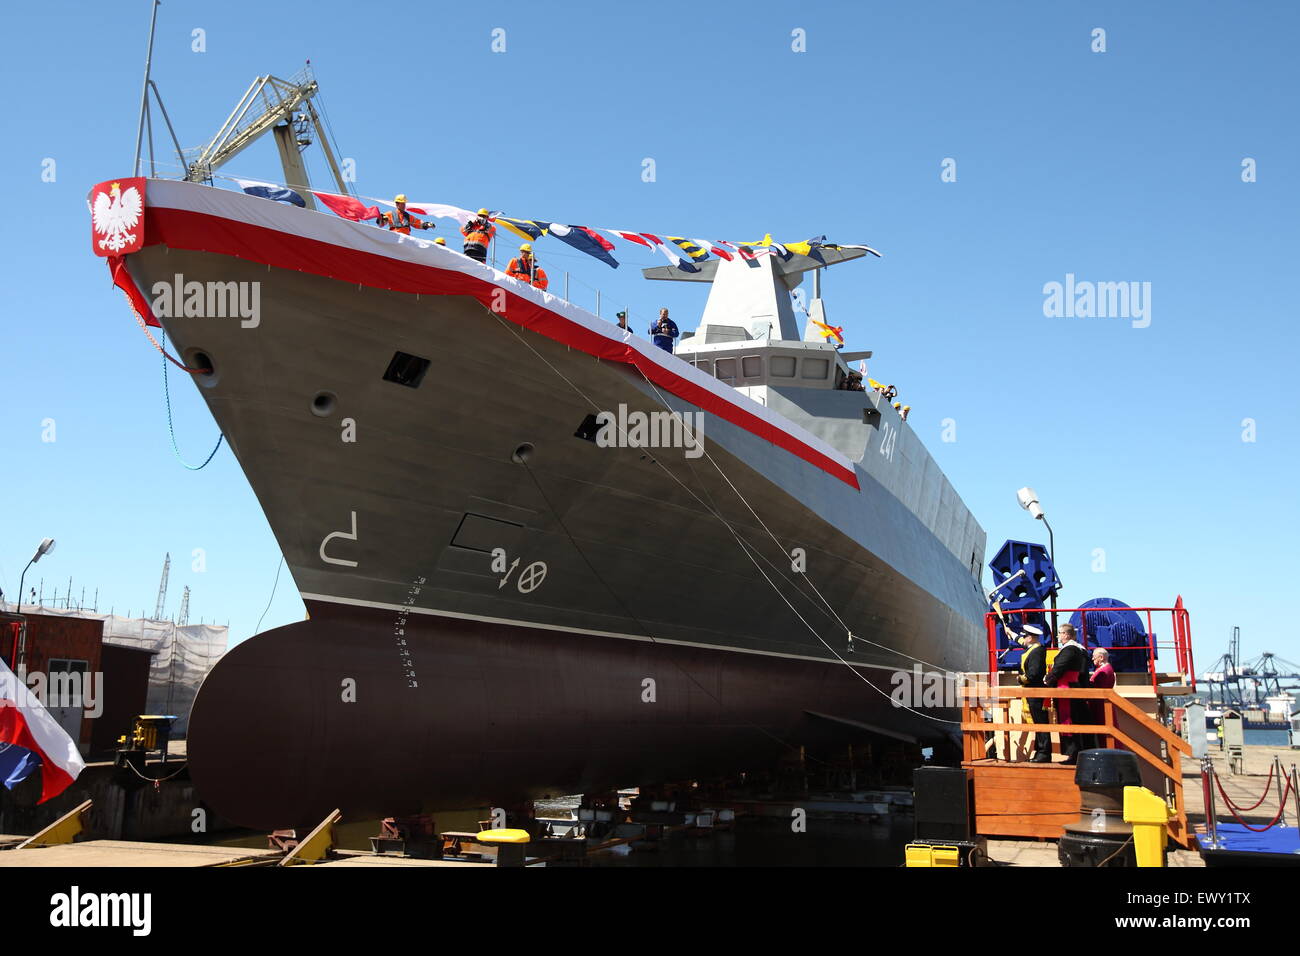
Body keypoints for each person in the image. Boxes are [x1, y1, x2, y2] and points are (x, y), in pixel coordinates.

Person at [1045, 623, 1089, 764]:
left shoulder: (1069, 649)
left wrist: (1048, 679)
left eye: (1060, 633)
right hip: (1074, 686)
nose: (1059, 636)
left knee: (1068, 720)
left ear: (1067, 635)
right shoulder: (1080, 649)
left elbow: (1060, 667)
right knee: (1076, 719)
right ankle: (1077, 752)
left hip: (1066, 688)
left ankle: (1074, 753)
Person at [1016, 626, 1052, 763]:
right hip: (1032, 692)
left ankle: (1044, 753)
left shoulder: (1036, 652)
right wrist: (1012, 634)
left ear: (1030, 637)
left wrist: (1020, 678)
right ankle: (1040, 752)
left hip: (1035, 692)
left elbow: (1034, 673)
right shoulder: (1034, 649)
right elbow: (1019, 640)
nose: (1023, 639)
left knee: (1040, 722)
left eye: (1024, 637)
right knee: (1038, 722)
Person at [1087, 647, 1116, 750]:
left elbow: (1099, 688)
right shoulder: (1105, 669)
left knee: (1104, 734)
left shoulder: (1105, 670)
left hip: (1101, 706)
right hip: (1099, 705)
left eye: (1094, 657)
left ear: (1101, 657)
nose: (1092, 659)